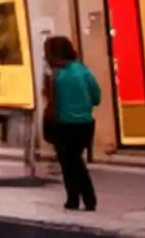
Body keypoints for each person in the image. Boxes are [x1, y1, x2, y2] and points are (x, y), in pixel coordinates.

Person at [44, 35, 100, 211]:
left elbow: (53, 102)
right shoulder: (84, 71)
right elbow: (96, 97)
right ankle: (81, 199)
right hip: (86, 124)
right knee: (75, 160)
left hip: (65, 124)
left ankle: (79, 198)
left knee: (69, 163)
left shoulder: (57, 77)